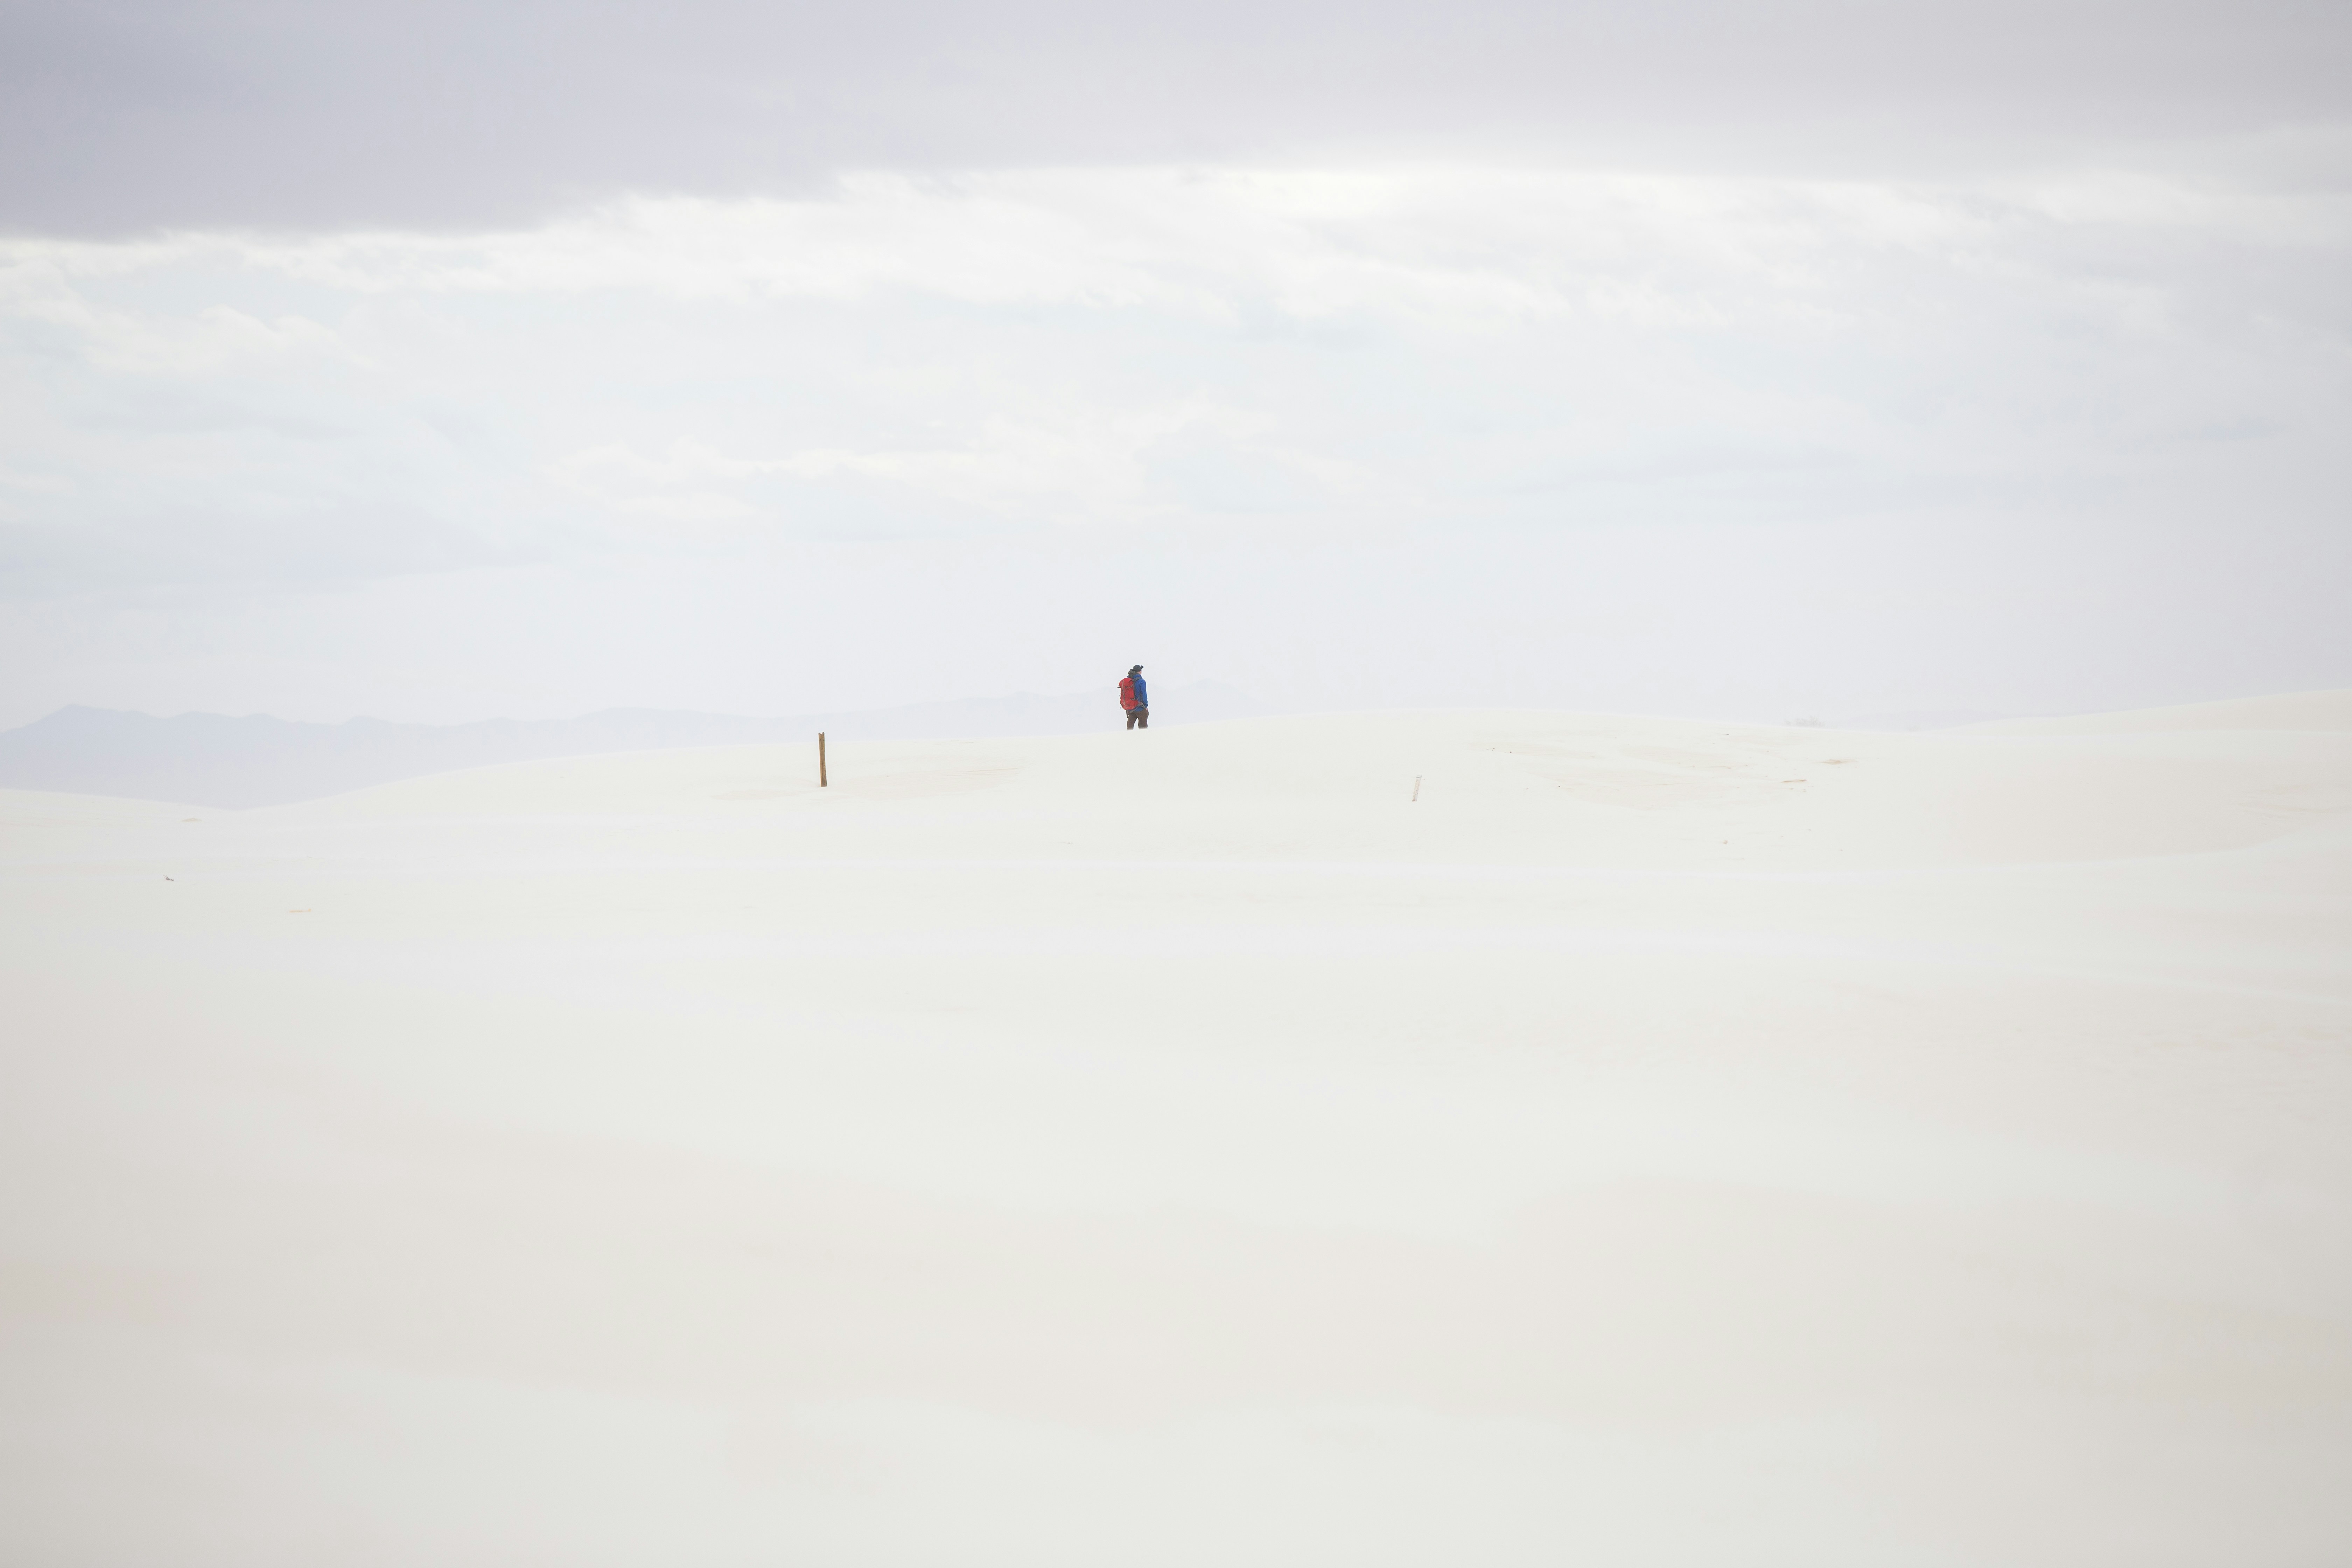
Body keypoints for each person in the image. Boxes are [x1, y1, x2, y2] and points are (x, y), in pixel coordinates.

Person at [1118, 665, 1149, 729]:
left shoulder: (1129, 680)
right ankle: (1144, 739)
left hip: (1131, 708)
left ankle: (1128, 739)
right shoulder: (1142, 682)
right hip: (1140, 708)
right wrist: (1146, 706)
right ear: (1140, 671)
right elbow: (1144, 694)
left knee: (1130, 728)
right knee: (1143, 729)